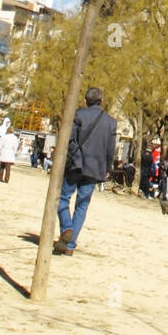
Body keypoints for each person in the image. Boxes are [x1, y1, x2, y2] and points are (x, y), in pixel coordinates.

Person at [54, 88, 117, 257]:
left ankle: (66, 227)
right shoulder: (111, 122)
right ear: (101, 101)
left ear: (86, 100)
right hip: (95, 168)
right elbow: (111, 150)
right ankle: (70, 245)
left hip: (76, 165)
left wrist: (74, 156)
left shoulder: (78, 115)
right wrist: (107, 168)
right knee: (82, 206)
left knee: (62, 199)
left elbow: (70, 139)